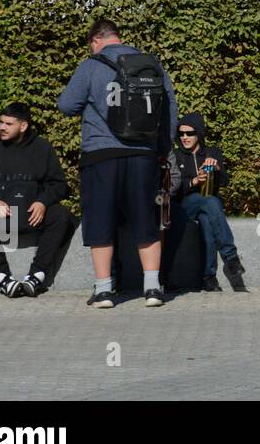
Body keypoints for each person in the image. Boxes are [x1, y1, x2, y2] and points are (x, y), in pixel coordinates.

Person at [58, 19, 178, 308]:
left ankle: (103, 291)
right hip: (142, 155)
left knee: (100, 220)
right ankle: (152, 289)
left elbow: (66, 105)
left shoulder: (91, 66)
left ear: (95, 41)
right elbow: (170, 107)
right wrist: (162, 149)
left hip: (101, 155)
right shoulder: (150, 64)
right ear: (118, 37)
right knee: (146, 219)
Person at [0, 103, 77, 297]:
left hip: (33, 215)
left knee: (61, 216)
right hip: (0, 214)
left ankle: (37, 276)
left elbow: (58, 184)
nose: (2, 127)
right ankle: (2, 277)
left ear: (23, 126)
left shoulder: (42, 147)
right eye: (1, 122)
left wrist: (43, 202)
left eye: (8, 123)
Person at [167, 113, 246, 292]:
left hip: (209, 206)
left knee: (207, 221)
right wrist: (194, 181)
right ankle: (231, 258)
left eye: (190, 133)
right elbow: (173, 189)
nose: (184, 137)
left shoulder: (212, 153)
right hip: (185, 204)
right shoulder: (177, 155)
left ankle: (209, 277)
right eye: (181, 134)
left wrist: (216, 170)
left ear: (199, 134)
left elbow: (224, 182)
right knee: (208, 201)